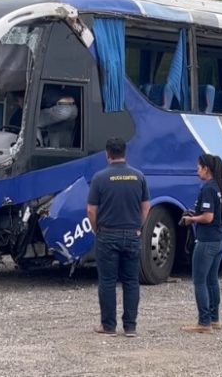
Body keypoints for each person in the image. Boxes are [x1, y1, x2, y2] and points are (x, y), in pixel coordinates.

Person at [87, 137, 150, 337]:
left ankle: (108, 326)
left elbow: (91, 210)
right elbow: (146, 206)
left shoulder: (100, 178)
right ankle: (130, 327)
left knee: (107, 281)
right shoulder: (138, 176)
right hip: (132, 235)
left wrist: (96, 229)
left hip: (107, 235)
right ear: (125, 153)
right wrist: (138, 226)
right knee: (131, 281)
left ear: (108, 154)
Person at [180, 154, 222, 333]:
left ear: (206, 168)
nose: (197, 170)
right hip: (220, 239)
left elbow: (208, 217)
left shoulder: (208, 188)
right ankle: (214, 318)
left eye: (198, 167)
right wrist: (197, 214)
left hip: (207, 240)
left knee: (199, 281)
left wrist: (191, 220)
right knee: (212, 280)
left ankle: (204, 322)